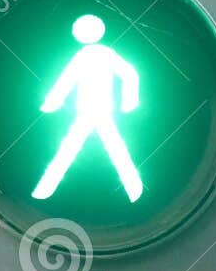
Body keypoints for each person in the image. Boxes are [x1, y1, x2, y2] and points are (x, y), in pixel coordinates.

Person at [32, 14, 143, 203]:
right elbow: (67, 81)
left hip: (96, 111)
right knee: (106, 148)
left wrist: (52, 102)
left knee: (74, 148)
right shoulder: (100, 54)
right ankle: (134, 189)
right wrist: (128, 102)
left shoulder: (92, 55)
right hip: (93, 111)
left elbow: (66, 81)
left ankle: (45, 189)